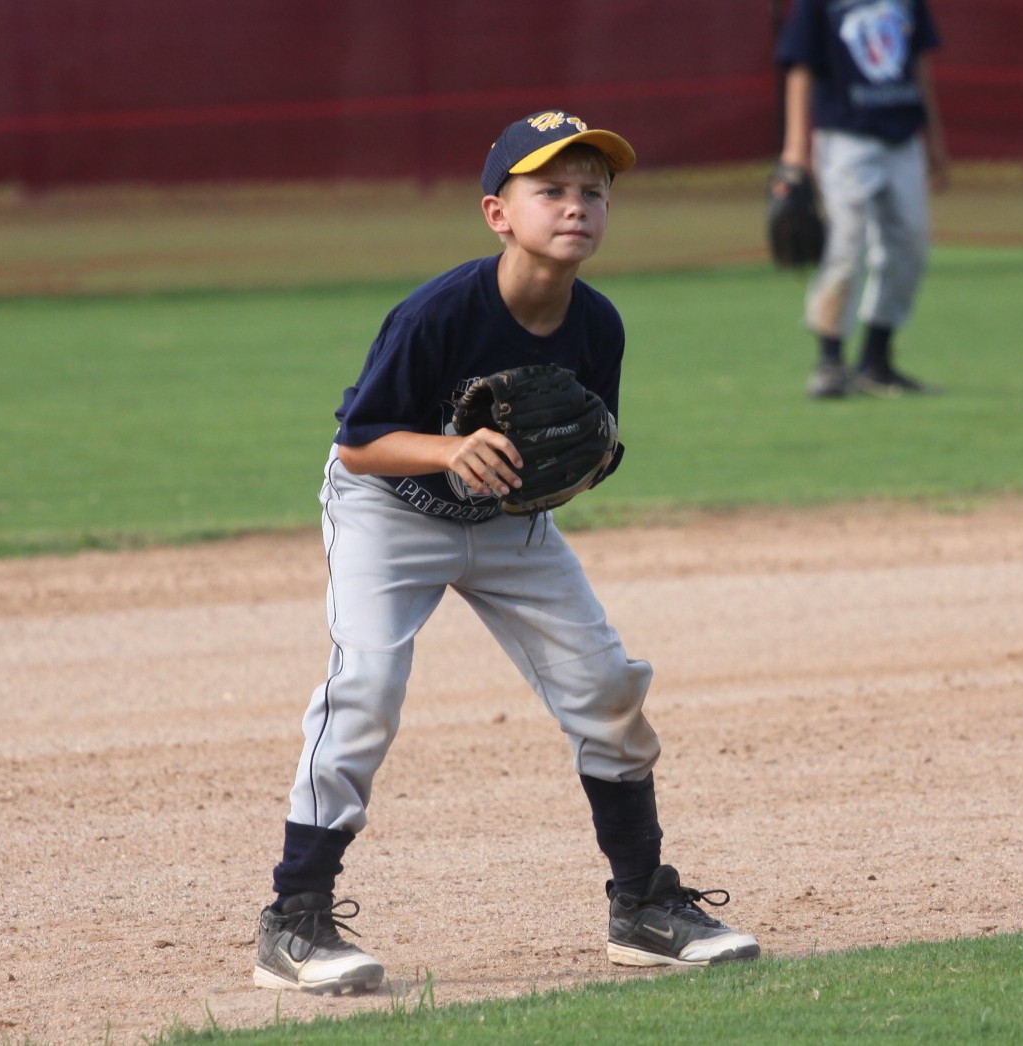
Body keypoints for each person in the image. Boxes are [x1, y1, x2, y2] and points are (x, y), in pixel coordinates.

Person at [252, 110, 761, 996]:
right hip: (390, 510)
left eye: (593, 193)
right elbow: (361, 442)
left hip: (507, 525)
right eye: (551, 191)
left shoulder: (597, 326)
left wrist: (580, 469)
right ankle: (294, 919)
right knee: (365, 687)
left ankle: (642, 903)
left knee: (606, 687)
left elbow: (582, 452)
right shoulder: (438, 313)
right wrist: (449, 449)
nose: (576, 207)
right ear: (498, 213)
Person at [774, 0, 951, 399]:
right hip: (845, 138)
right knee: (847, 245)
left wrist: (935, 142)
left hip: (904, 138)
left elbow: (918, 64)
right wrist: (796, 151)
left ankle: (877, 361)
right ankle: (830, 361)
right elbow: (800, 68)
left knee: (910, 246)